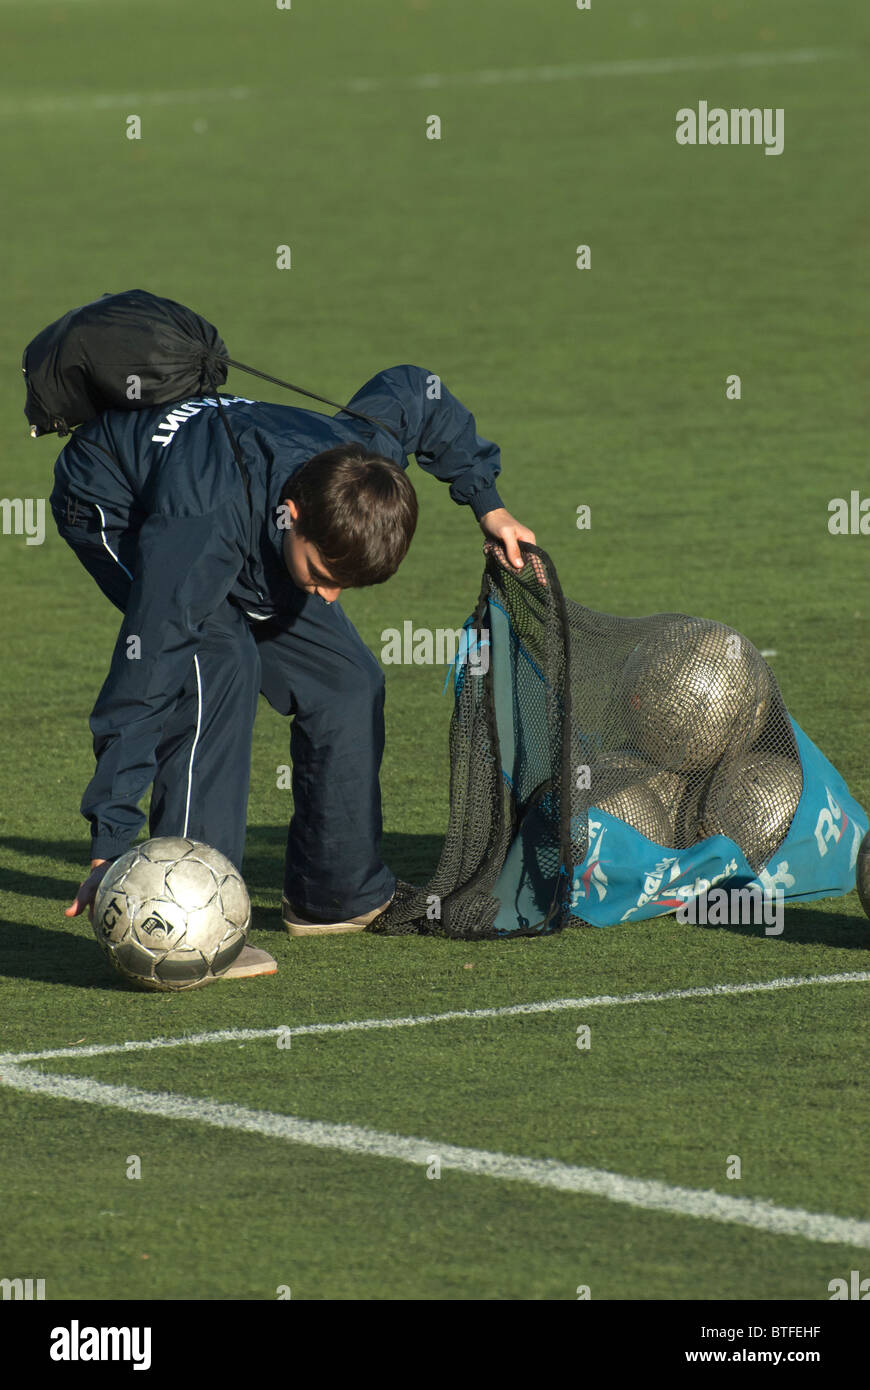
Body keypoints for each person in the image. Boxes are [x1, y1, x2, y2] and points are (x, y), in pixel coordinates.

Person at [52, 364, 535, 978]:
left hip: (245, 514)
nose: (330, 599)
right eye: (323, 575)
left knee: (347, 681)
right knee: (216, 662)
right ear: (292, 515)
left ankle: (336, 896)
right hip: (114, 494)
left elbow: (418, 390)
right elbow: (141, 678)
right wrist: (110, 842)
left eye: (346, 584)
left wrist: (488, 506)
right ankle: (192, 916)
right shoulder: (197, 532)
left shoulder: (361, 462)